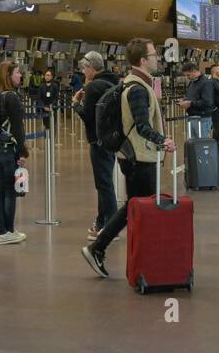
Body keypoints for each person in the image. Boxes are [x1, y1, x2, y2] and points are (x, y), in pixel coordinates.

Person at [81, 38, 176, 278]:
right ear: (143, 60)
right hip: (139, 159)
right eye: (154, 55)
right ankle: (98, 248)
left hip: (138, 157)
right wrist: (163, 140)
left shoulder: (138, 84)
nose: (158, 58)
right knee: (137, 208)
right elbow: (142, 125)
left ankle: (103, 248)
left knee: (134, 207)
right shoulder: (137, 89)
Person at [74, 51, 119, 240]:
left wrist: (76, 103)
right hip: (112, 139)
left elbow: (88, 117)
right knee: (105, 182)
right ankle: (101, 222)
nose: (83, 72)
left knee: (104, 184)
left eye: (84, 68)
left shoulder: (93, 87)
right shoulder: (114, 82)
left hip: (97, 141)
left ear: (91, 67)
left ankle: (111, 227)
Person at [0, 61, 30, 245]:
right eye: (18, 73)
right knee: (10, 191)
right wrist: (23, 151)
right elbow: (18, 128)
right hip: (9, 148)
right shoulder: (12, 97)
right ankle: (8, 231)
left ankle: (1, 230)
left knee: (0, 191)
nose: (20, 76)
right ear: (9, 76)